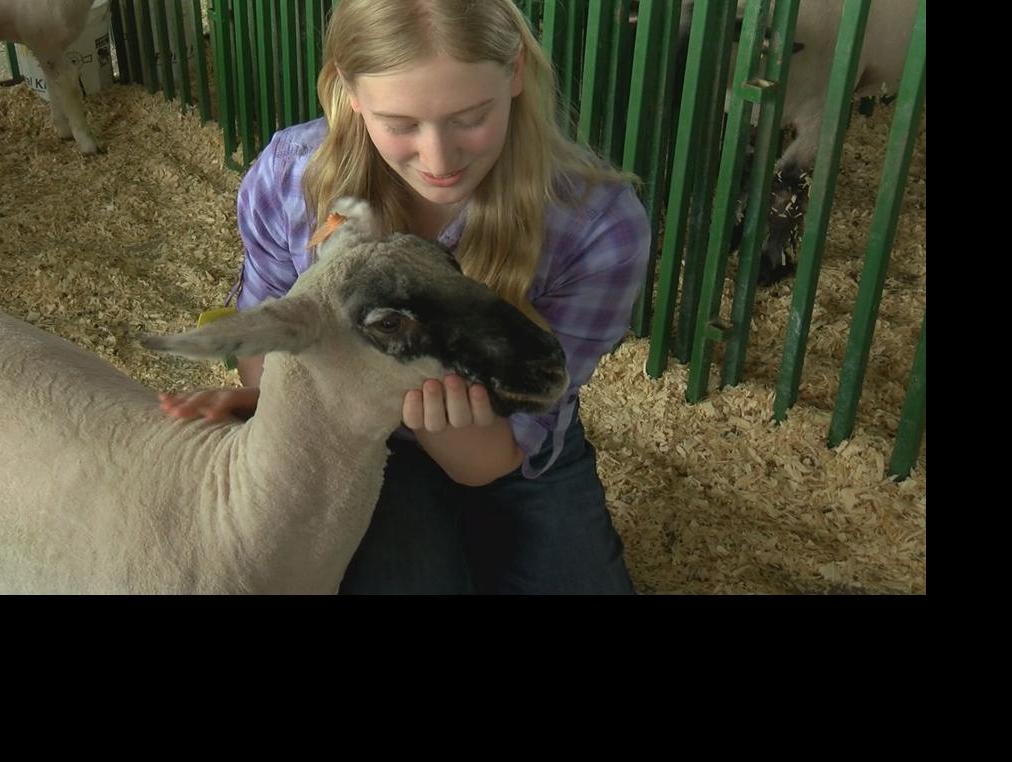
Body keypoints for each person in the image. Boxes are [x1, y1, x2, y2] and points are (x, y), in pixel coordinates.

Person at [158, 0, 648, 594]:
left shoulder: (599, 226)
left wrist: (454, 430)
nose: (439, 160)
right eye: (401, 123)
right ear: (349, 90)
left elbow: (501, 446)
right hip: (352, 433)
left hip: (507, 437)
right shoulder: (290, 176)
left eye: (471, 117)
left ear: (515, 72)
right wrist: (267, 406)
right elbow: (270, 346)